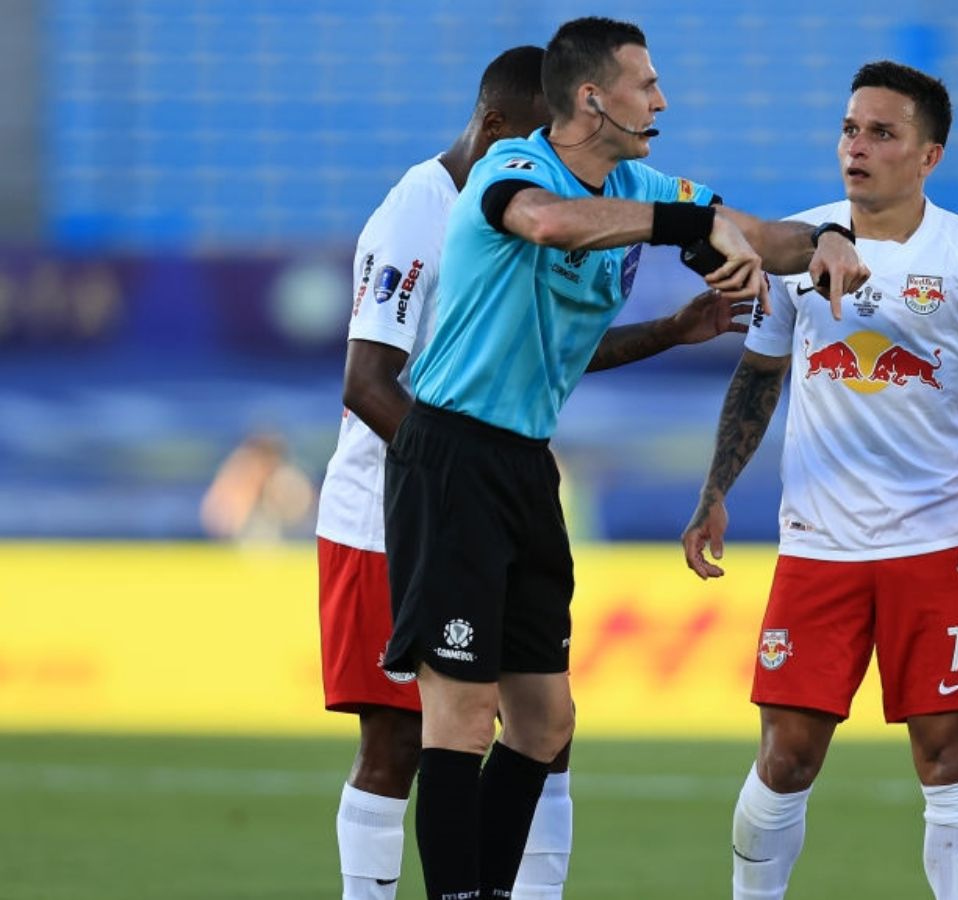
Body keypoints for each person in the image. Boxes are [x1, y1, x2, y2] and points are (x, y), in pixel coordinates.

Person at [379, 17, 869, 900]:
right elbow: (551, 224)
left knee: (544, 722)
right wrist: (691, 225)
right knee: (461, 715)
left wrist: (828, 241)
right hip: (450, 453)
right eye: (646, 85)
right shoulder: (513, 167)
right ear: (591, 98)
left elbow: (754, 233)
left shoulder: (642, 184)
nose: (662, 101)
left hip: (526, 463)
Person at [316, 44, 754, 900]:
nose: (548, 161)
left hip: (480, 491)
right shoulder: (420, 214)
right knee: (402, 738)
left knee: (545, 725)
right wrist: (453, 485)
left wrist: (671, 329)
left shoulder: (550, 202)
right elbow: (367, 385)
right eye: (533, 142)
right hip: (388, 510)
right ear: (494, 128)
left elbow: (553, 351)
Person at [681, 60, 958, 900]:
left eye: (882, 133)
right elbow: (759, 375)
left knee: (949, 758)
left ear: (929, 156)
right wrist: (714, 491)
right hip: (819, 545)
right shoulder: (794, 244)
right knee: (785, 757)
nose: (858, 147)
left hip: (938, 545)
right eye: (850, 129)